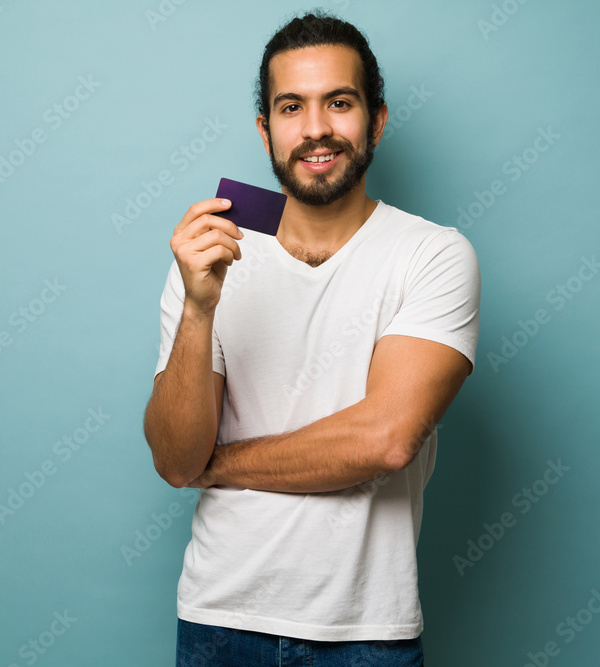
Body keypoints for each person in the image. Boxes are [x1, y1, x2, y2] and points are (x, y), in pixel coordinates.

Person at [142, 12, 480, 666]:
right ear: (266, 130)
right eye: (292, 106)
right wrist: (198, 307)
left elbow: (384, 439)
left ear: (376, 121)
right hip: (219, 620)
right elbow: (176, 458)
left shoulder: (432, 254)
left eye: (340, 102)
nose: (317, 127)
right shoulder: (210, 254)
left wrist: (224, 463)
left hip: (366, 632)